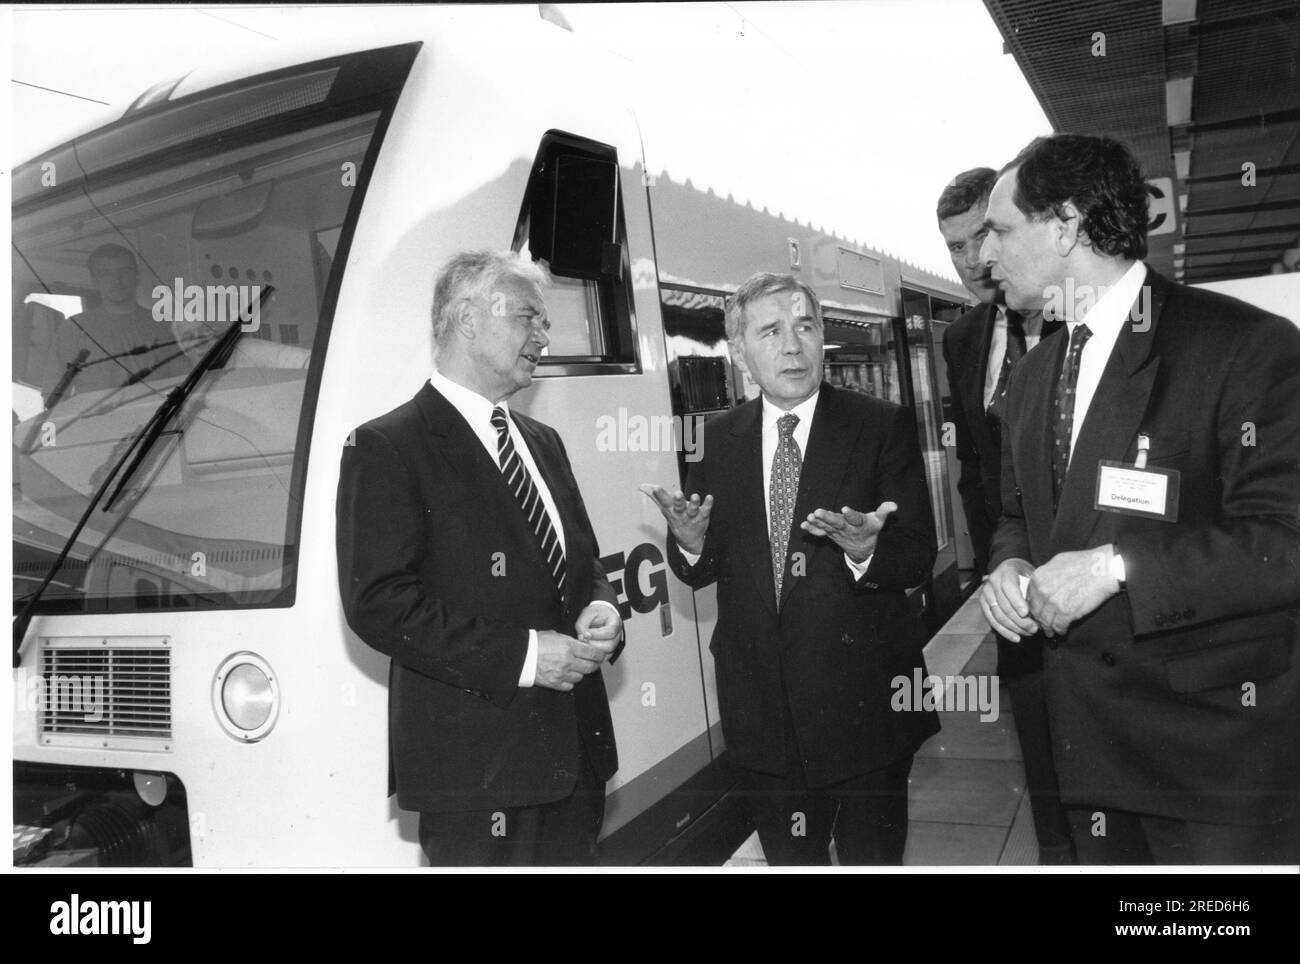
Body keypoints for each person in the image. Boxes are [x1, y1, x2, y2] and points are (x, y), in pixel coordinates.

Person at [978, 133, 1300, 864]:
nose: (984, 257)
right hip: (1081, 753)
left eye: (999, 230)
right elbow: (1014, 514)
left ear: (1064, 225)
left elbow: (1284, 540)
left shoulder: (1243, 346)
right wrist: (1009, 566)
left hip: (1207, 763)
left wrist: (1116, 565)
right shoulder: (1031, 379)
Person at [336, 250, 623, 866]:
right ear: (468, 319)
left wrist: (602, 605)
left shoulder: (542, 441)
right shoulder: (386, 446)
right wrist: (524, 656)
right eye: (529, 317)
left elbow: (584, 562)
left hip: (578, 764)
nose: (543, 336)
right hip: (478, 780)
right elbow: (378, 604)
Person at [642, 272, 938, 865]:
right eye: (771, 331)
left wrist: (864, 551)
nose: (792, 345)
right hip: (763, 716)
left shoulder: (880, 425)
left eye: (806, 326)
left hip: (863, 712)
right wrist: (692, 544)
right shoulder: (718, 439)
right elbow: (704, 568)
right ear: (740, 352)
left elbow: (917, 554)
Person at [936, 168, 1074, 864]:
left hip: (1087, 576)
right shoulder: (961, 341)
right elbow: (974, 469)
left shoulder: (1073, 313)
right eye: (953, 247)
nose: (969, 262)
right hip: (1012, 577)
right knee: (1039, 740)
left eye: (979, 238)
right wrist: (994, 560)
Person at [52, 244, 185, 395]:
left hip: (160, 416)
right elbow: (54, 396)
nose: (117, 280)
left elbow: (184, 379)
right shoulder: (75, 328)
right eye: (106, 273)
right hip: (99, 418)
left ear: (137, 275)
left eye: (125, 271)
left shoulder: (162, 324)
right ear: (94, 281)